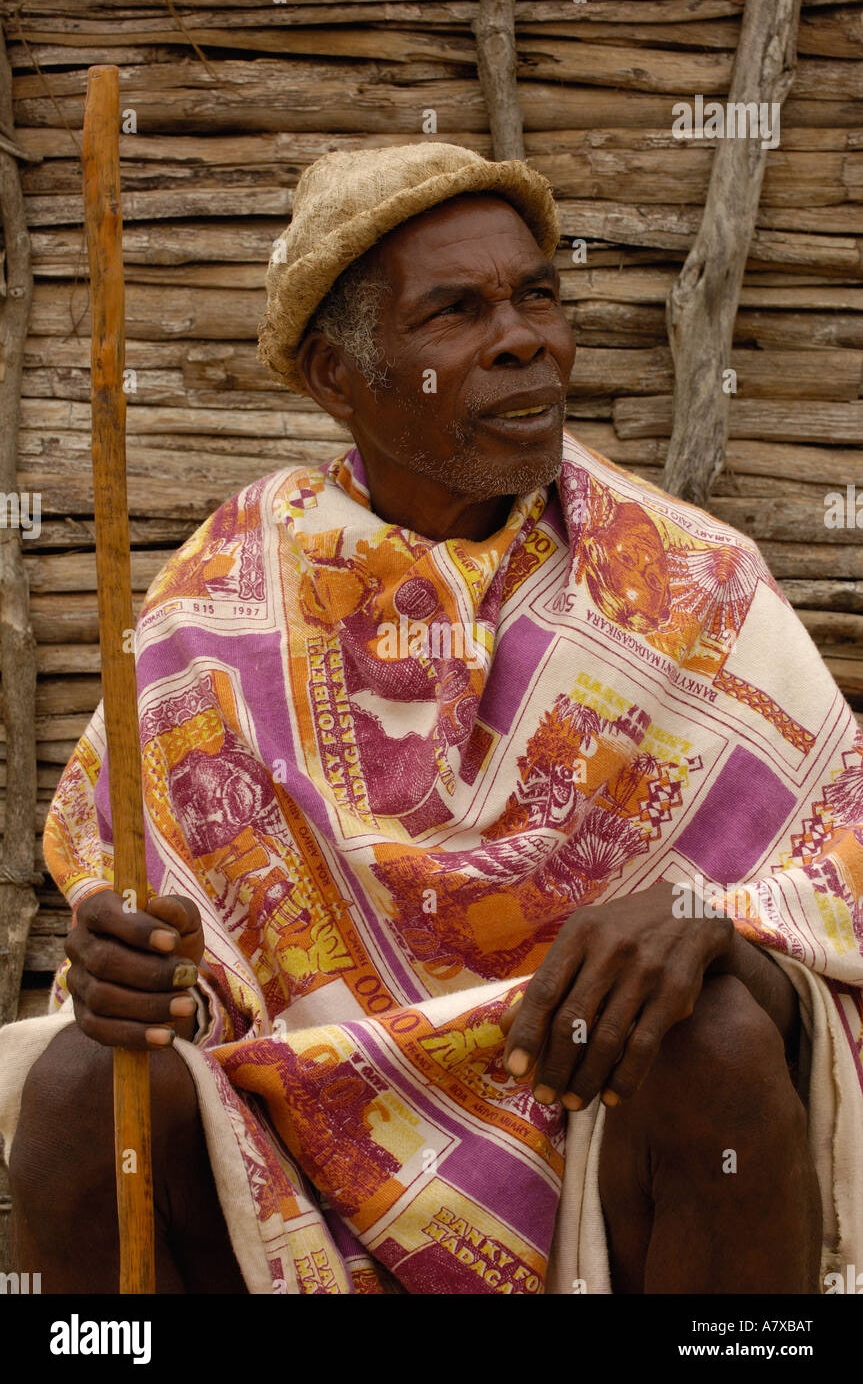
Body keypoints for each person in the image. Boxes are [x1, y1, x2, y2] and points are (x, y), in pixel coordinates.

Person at [2, 142, 861, 1295]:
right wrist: (134, 970)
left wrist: (707, 913)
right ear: (335, 376)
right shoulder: (222, 600)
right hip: (301, 1153)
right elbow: (172, 946)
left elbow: (839, 865)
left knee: (711, 1034)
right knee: (81, 1088)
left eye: (537, 295)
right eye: (454, 312)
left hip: (596, 1146)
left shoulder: (687, 582)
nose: (524, 339)